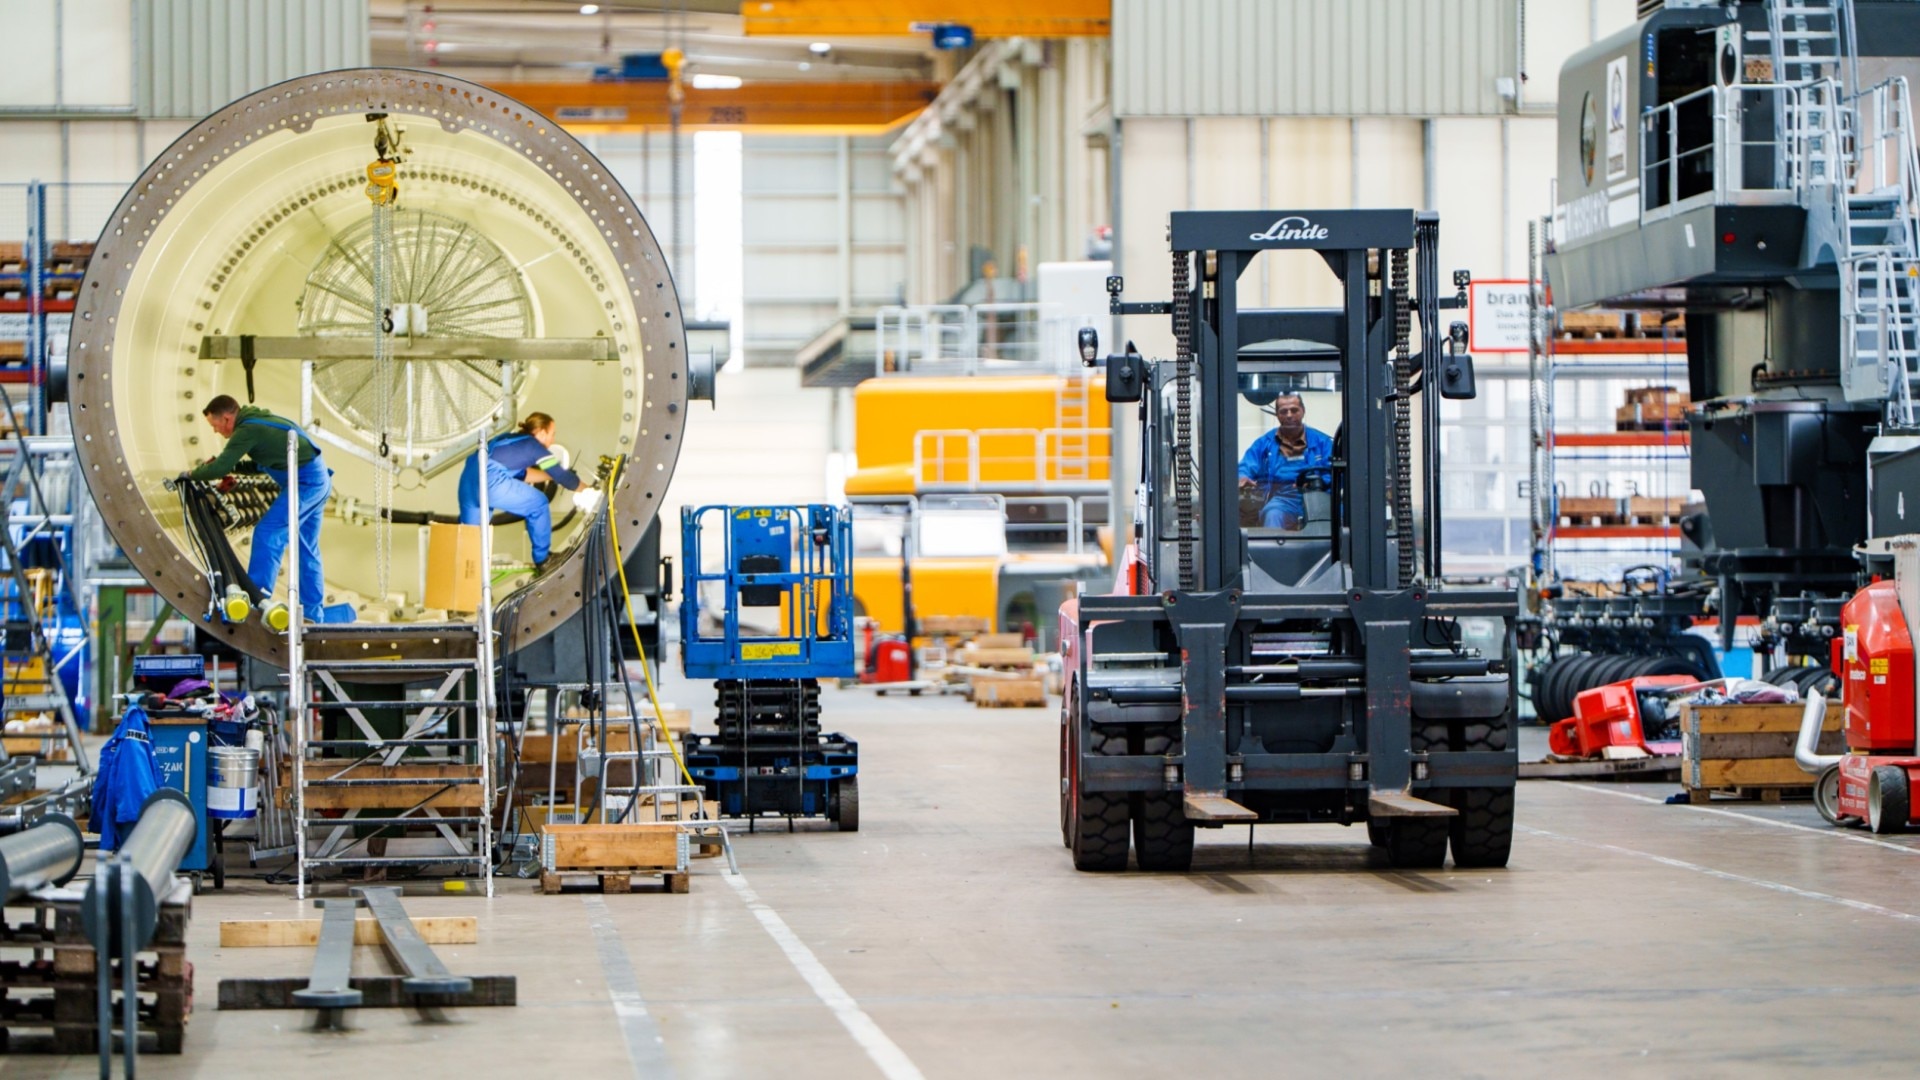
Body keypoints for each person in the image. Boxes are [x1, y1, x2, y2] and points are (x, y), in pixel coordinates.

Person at [189, 395, 334, 622]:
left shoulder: (247, 430)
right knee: (306, 548)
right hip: (319, 479)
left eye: (215, 426)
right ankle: (314, 616)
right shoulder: (258, 422)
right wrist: (232, 469)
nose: (217, 432)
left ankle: (256, 602)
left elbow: (219, 467)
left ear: (227, 418)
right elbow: (260, 465)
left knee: (268, 533)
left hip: (306, 483)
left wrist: (191, 474)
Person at [458, 412, 600, 568]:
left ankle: (471, 585)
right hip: (491, 482)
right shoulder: (533, 446)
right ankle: (544, 560)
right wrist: (590, 490)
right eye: (552, 434)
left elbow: (523, 474)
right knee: (538, 503)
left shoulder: (510, 440)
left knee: (471, 542)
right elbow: (562, 476)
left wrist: (550, 476)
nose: (553, 440)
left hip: (468, 482)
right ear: (541, 432)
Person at [1237, 392, 1334, 530]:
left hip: (1318, 498)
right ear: (1277, 415)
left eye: (1294, 410)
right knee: (1272, 515)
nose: (1289, 415)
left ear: (1303, 411)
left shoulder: (1322, 442)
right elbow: (1246, 466)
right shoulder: (1264, 443)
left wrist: (1318, 482)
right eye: (1284, 411)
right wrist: (1242, 477)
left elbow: (1335, 473)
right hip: (1282, 500)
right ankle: (1271, 552)